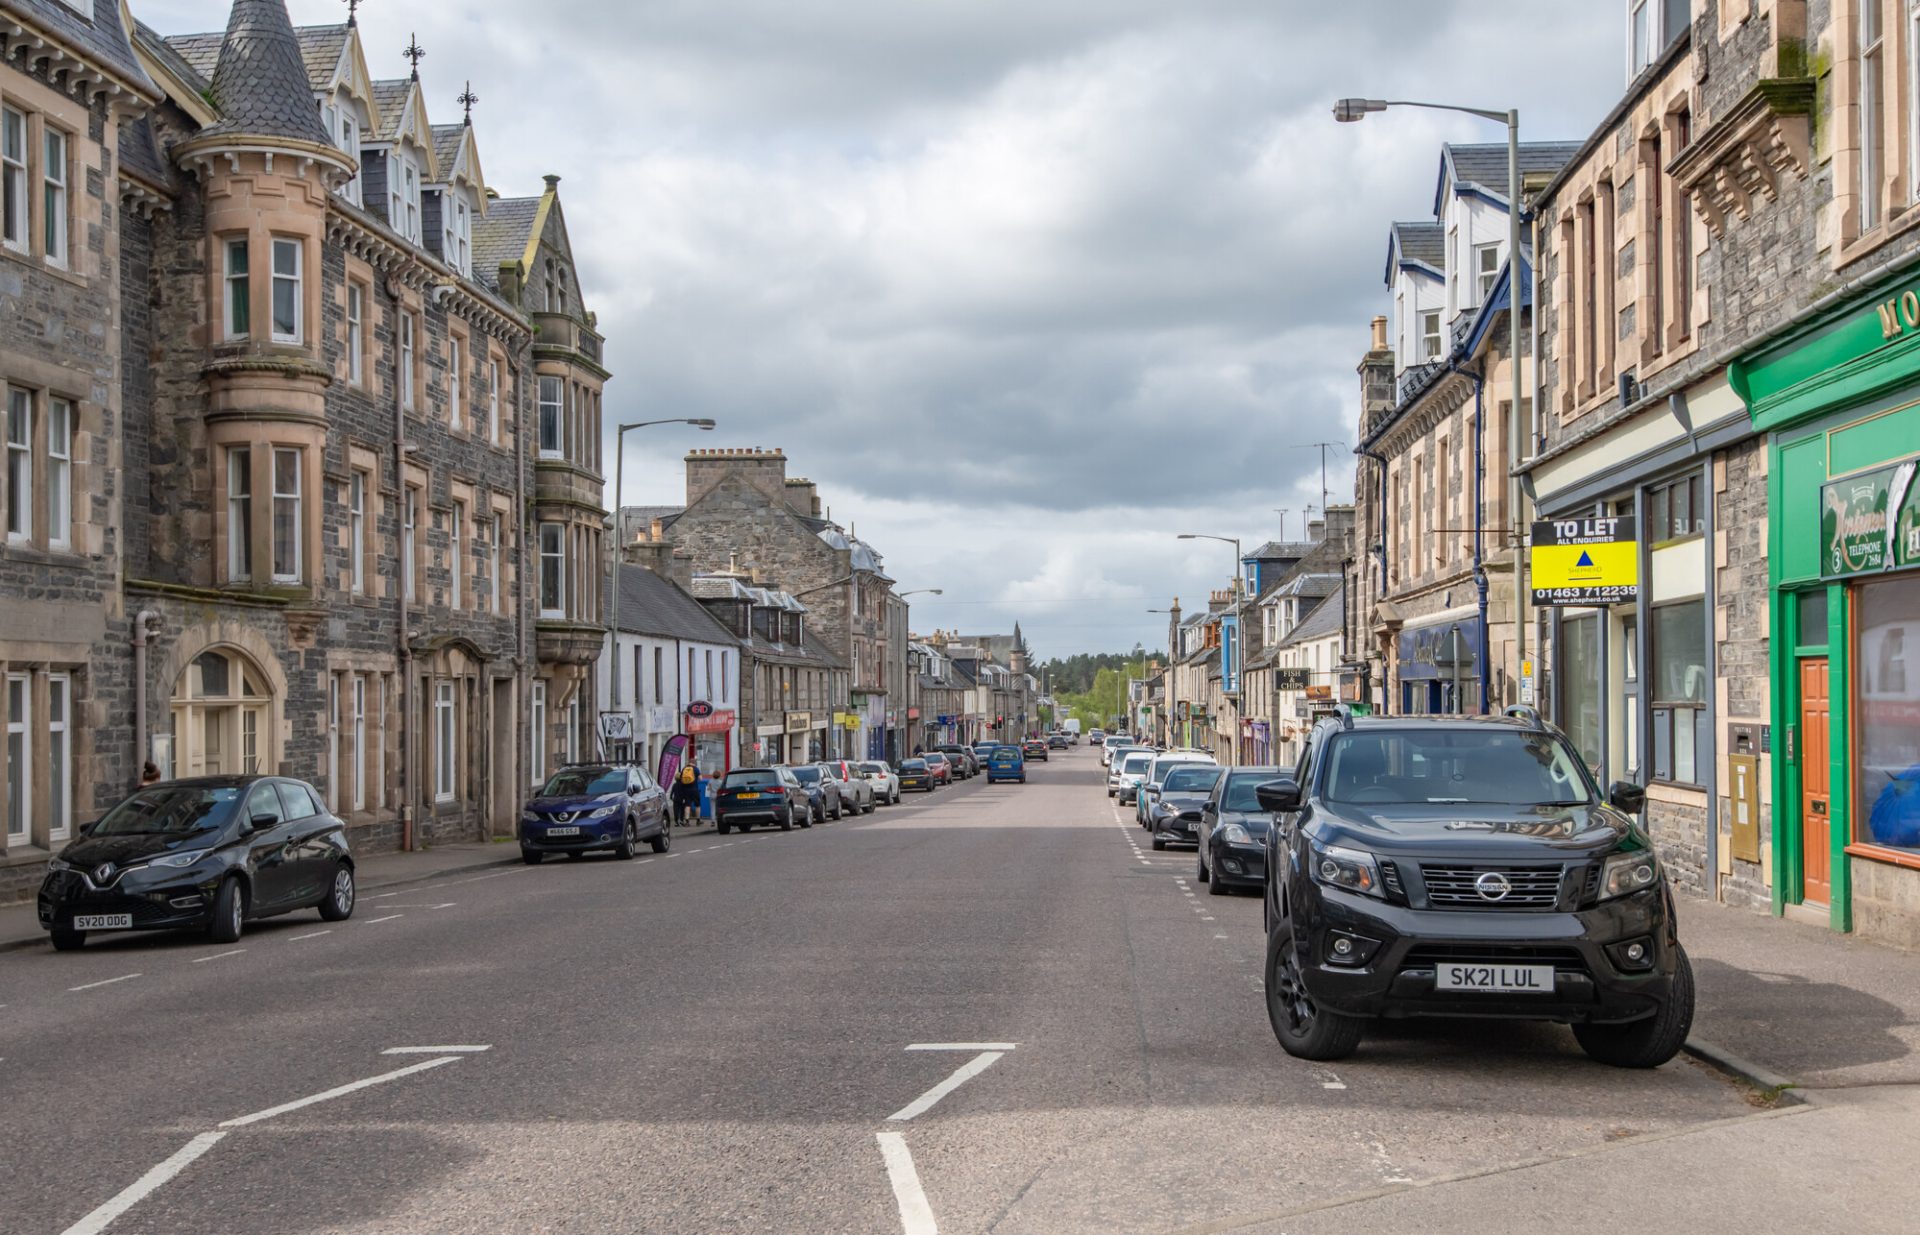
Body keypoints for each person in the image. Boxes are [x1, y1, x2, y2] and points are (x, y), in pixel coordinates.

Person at [672, 763, 699, 827]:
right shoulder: (682, 784)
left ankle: (676, 822)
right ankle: (681, 820)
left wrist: (672, 798)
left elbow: (672, 793)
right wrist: (684, 798)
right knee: (682, 810)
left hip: (675, 799)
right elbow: (683, 791)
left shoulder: (674, 785)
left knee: (676, 811)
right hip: (682, 799)